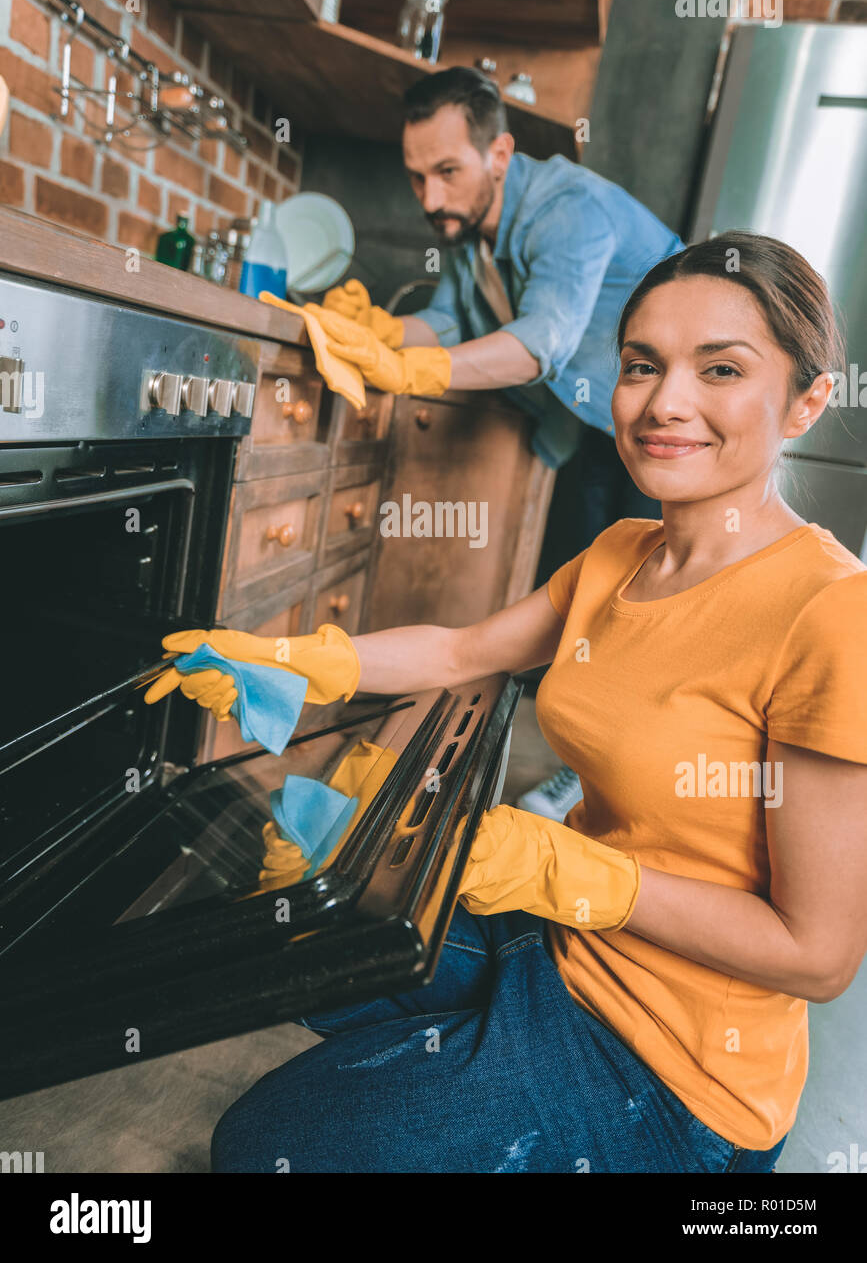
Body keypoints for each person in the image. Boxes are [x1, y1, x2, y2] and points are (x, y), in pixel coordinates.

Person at [151, 232, 867, 1173]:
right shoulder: (621, 551)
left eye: (720, 369)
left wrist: (575, 873)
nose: (665, 404)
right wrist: (288, 660)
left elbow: (817, 957)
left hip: (673, 1066)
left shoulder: (831, 610)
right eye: (640, 365)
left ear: (807, 401)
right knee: (290, 944)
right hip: (563, 948)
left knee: (265, 1149)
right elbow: (460, 650)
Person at [322, 65, 683, 817]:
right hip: (585, 419)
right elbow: (453, 320)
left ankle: (599, 785)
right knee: (577, 595)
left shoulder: (567, 209)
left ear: (499, 154)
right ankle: (559, 760)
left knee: (639, 603)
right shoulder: (466, 224)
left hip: (665, 425)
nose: (430, 198)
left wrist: (412, 369)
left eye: (447, 172)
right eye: (417, 176)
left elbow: (539, 342)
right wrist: (380, 332)